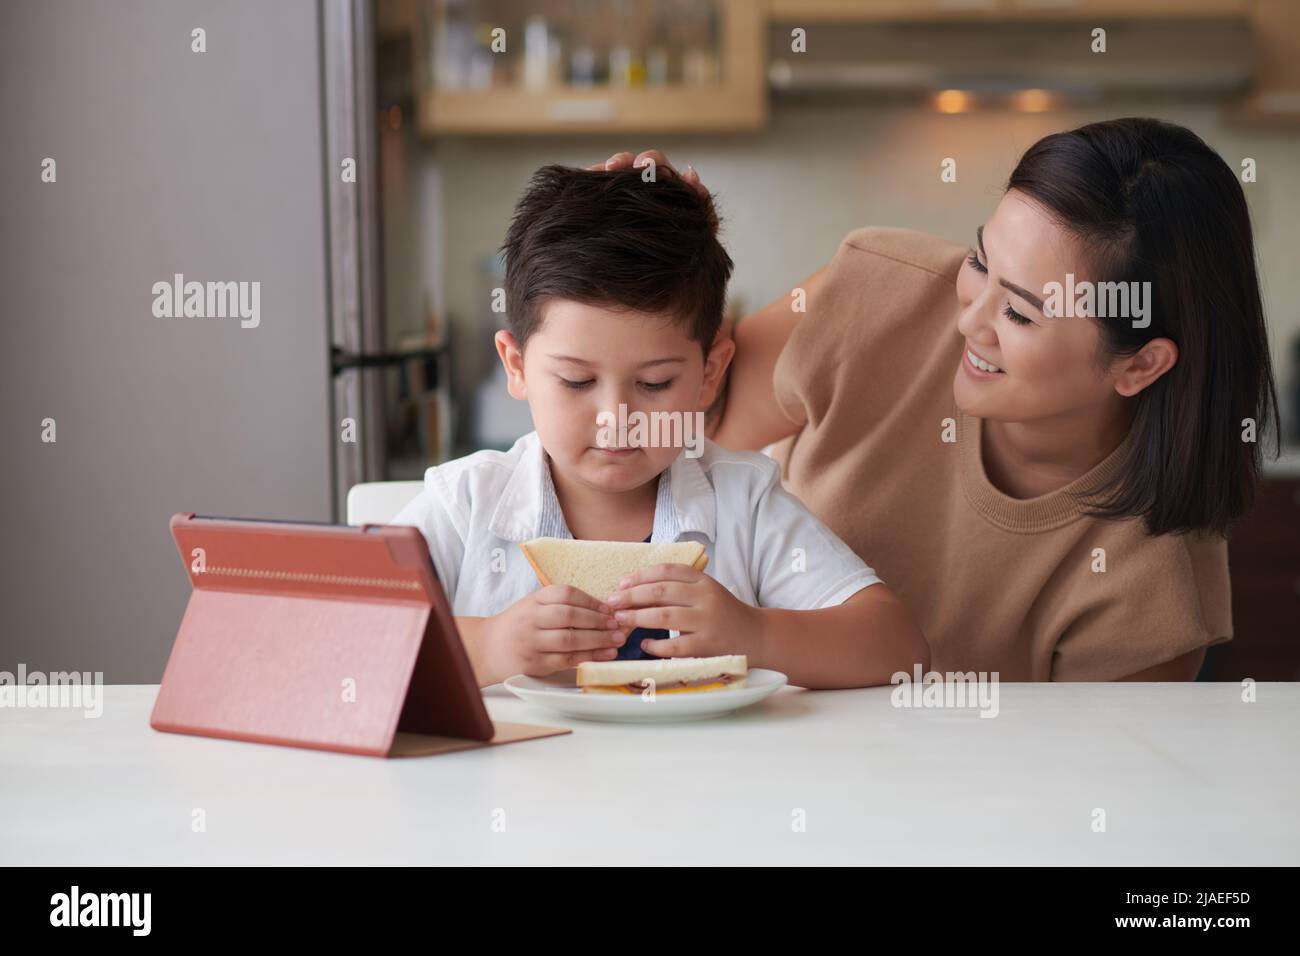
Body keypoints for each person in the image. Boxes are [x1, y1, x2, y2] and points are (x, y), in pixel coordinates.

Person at [392, 164, 927, 688]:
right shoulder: (466, 504)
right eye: (577, 382)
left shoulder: (743, 500)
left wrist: (756, 632)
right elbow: (344, 638)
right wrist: (487, 646)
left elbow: (897, 648)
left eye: (653, 385)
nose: (616, 420)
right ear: (517, 367)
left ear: (708, 376)